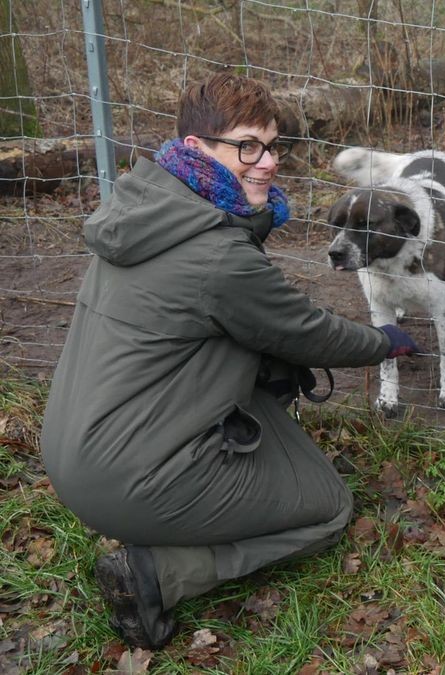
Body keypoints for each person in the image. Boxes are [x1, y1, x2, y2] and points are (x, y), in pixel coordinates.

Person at [39, 72, 422, 650]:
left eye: (272, 146)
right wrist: (385, 340)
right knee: (329, 508)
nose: (267, 162)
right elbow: (306, 332)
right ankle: (158, 574)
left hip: (74, 442)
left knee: (279, 434)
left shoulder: (150, 210)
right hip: (128, 477)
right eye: (246, 146)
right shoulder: (216, 255)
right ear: (197, 150)